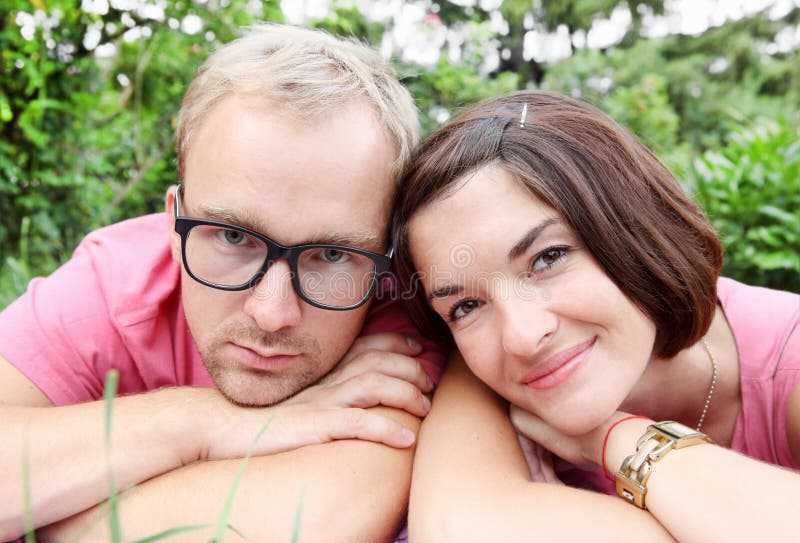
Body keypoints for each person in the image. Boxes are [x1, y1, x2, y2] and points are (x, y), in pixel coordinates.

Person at [0, 24, 447, 542]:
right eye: (234, 237)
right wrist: (206, 420)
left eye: (330, 254)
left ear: (389, 256)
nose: (272, 312)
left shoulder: (399, 318)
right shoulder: (111, 286)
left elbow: (315, 522)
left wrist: (47, 510)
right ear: (173, 223)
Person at [392, 90, 799, 540]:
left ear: (633, 227)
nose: (523, 337)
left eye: (547, 258)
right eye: (466, 306)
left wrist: (619, 441)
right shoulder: (473, 390)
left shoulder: (787, 356)